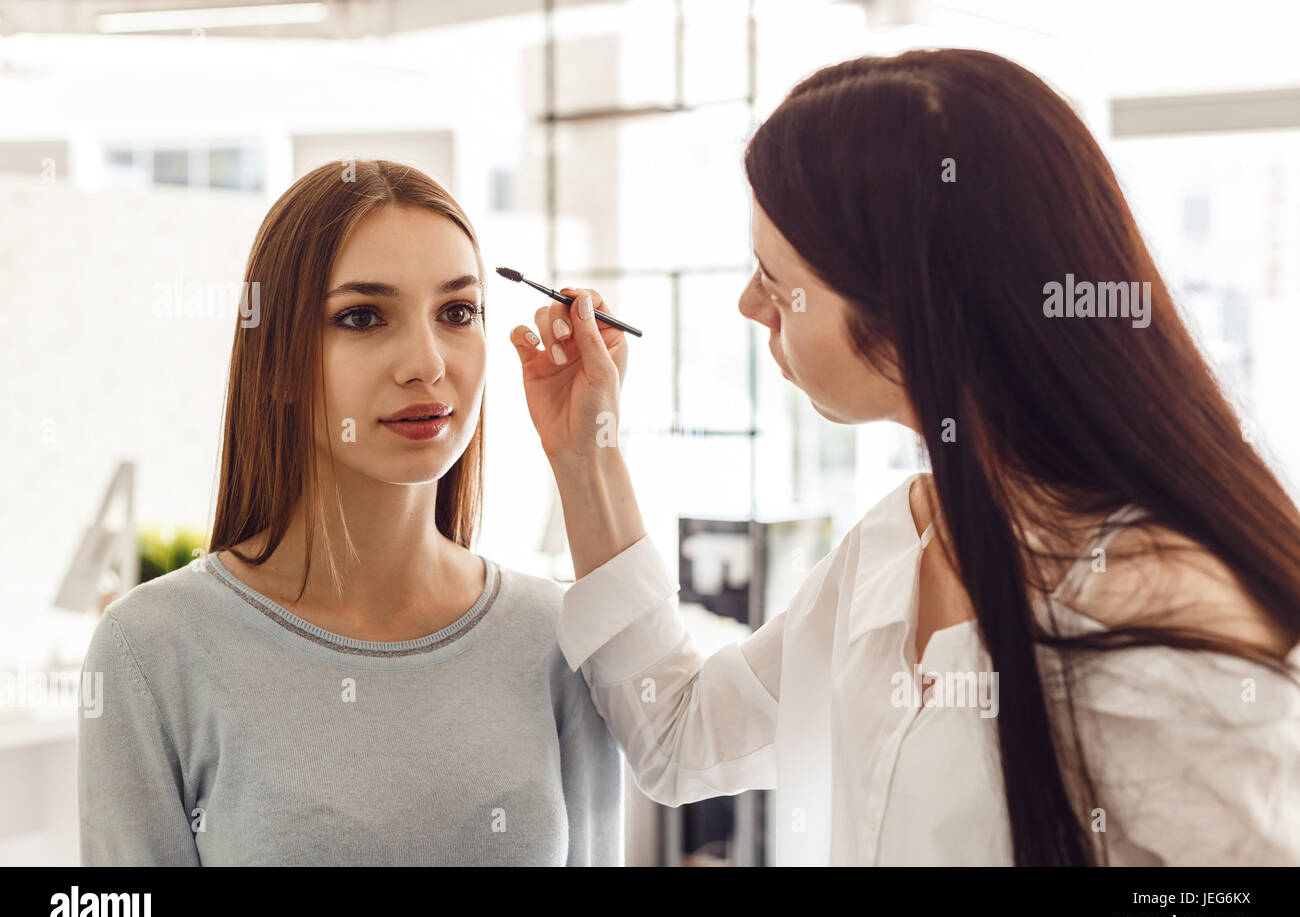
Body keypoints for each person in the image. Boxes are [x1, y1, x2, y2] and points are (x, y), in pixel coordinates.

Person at [509, 49, 1300, 865]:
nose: (748, 305)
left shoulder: (1172, 632)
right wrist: (585, 450)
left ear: (912, 314)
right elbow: (678, 736)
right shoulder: (900, 543)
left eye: (779, 287)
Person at [78, 159, 622, 866]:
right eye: (362, 317)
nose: (426, 363)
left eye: (457, 312)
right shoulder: (150, 651)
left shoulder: (559, 637)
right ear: (275, 364)